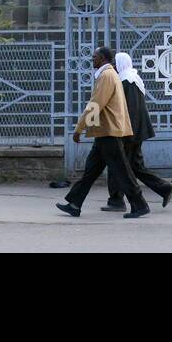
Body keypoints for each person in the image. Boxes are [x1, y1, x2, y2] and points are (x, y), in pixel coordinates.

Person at [56, 47, 150, 219]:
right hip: (104, 132)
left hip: (109, 132)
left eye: (95, 57)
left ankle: (140, 204)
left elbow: (96, 104)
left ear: (103, 58)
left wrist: (80, 128)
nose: (92, 60)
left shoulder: (106, 75)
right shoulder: (108, 74)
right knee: (90, 171)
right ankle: (75, 204)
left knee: (121, 171)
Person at [103, 52, 172, 211]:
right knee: (134, 165)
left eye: (115, 62)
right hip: (135, 130)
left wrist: (124, 132)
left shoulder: (128, 81)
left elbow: (131, 109)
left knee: (117, 164)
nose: (113, 66)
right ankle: (163, 188)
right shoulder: (131, 78)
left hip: (130, 131)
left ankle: (116, 200)